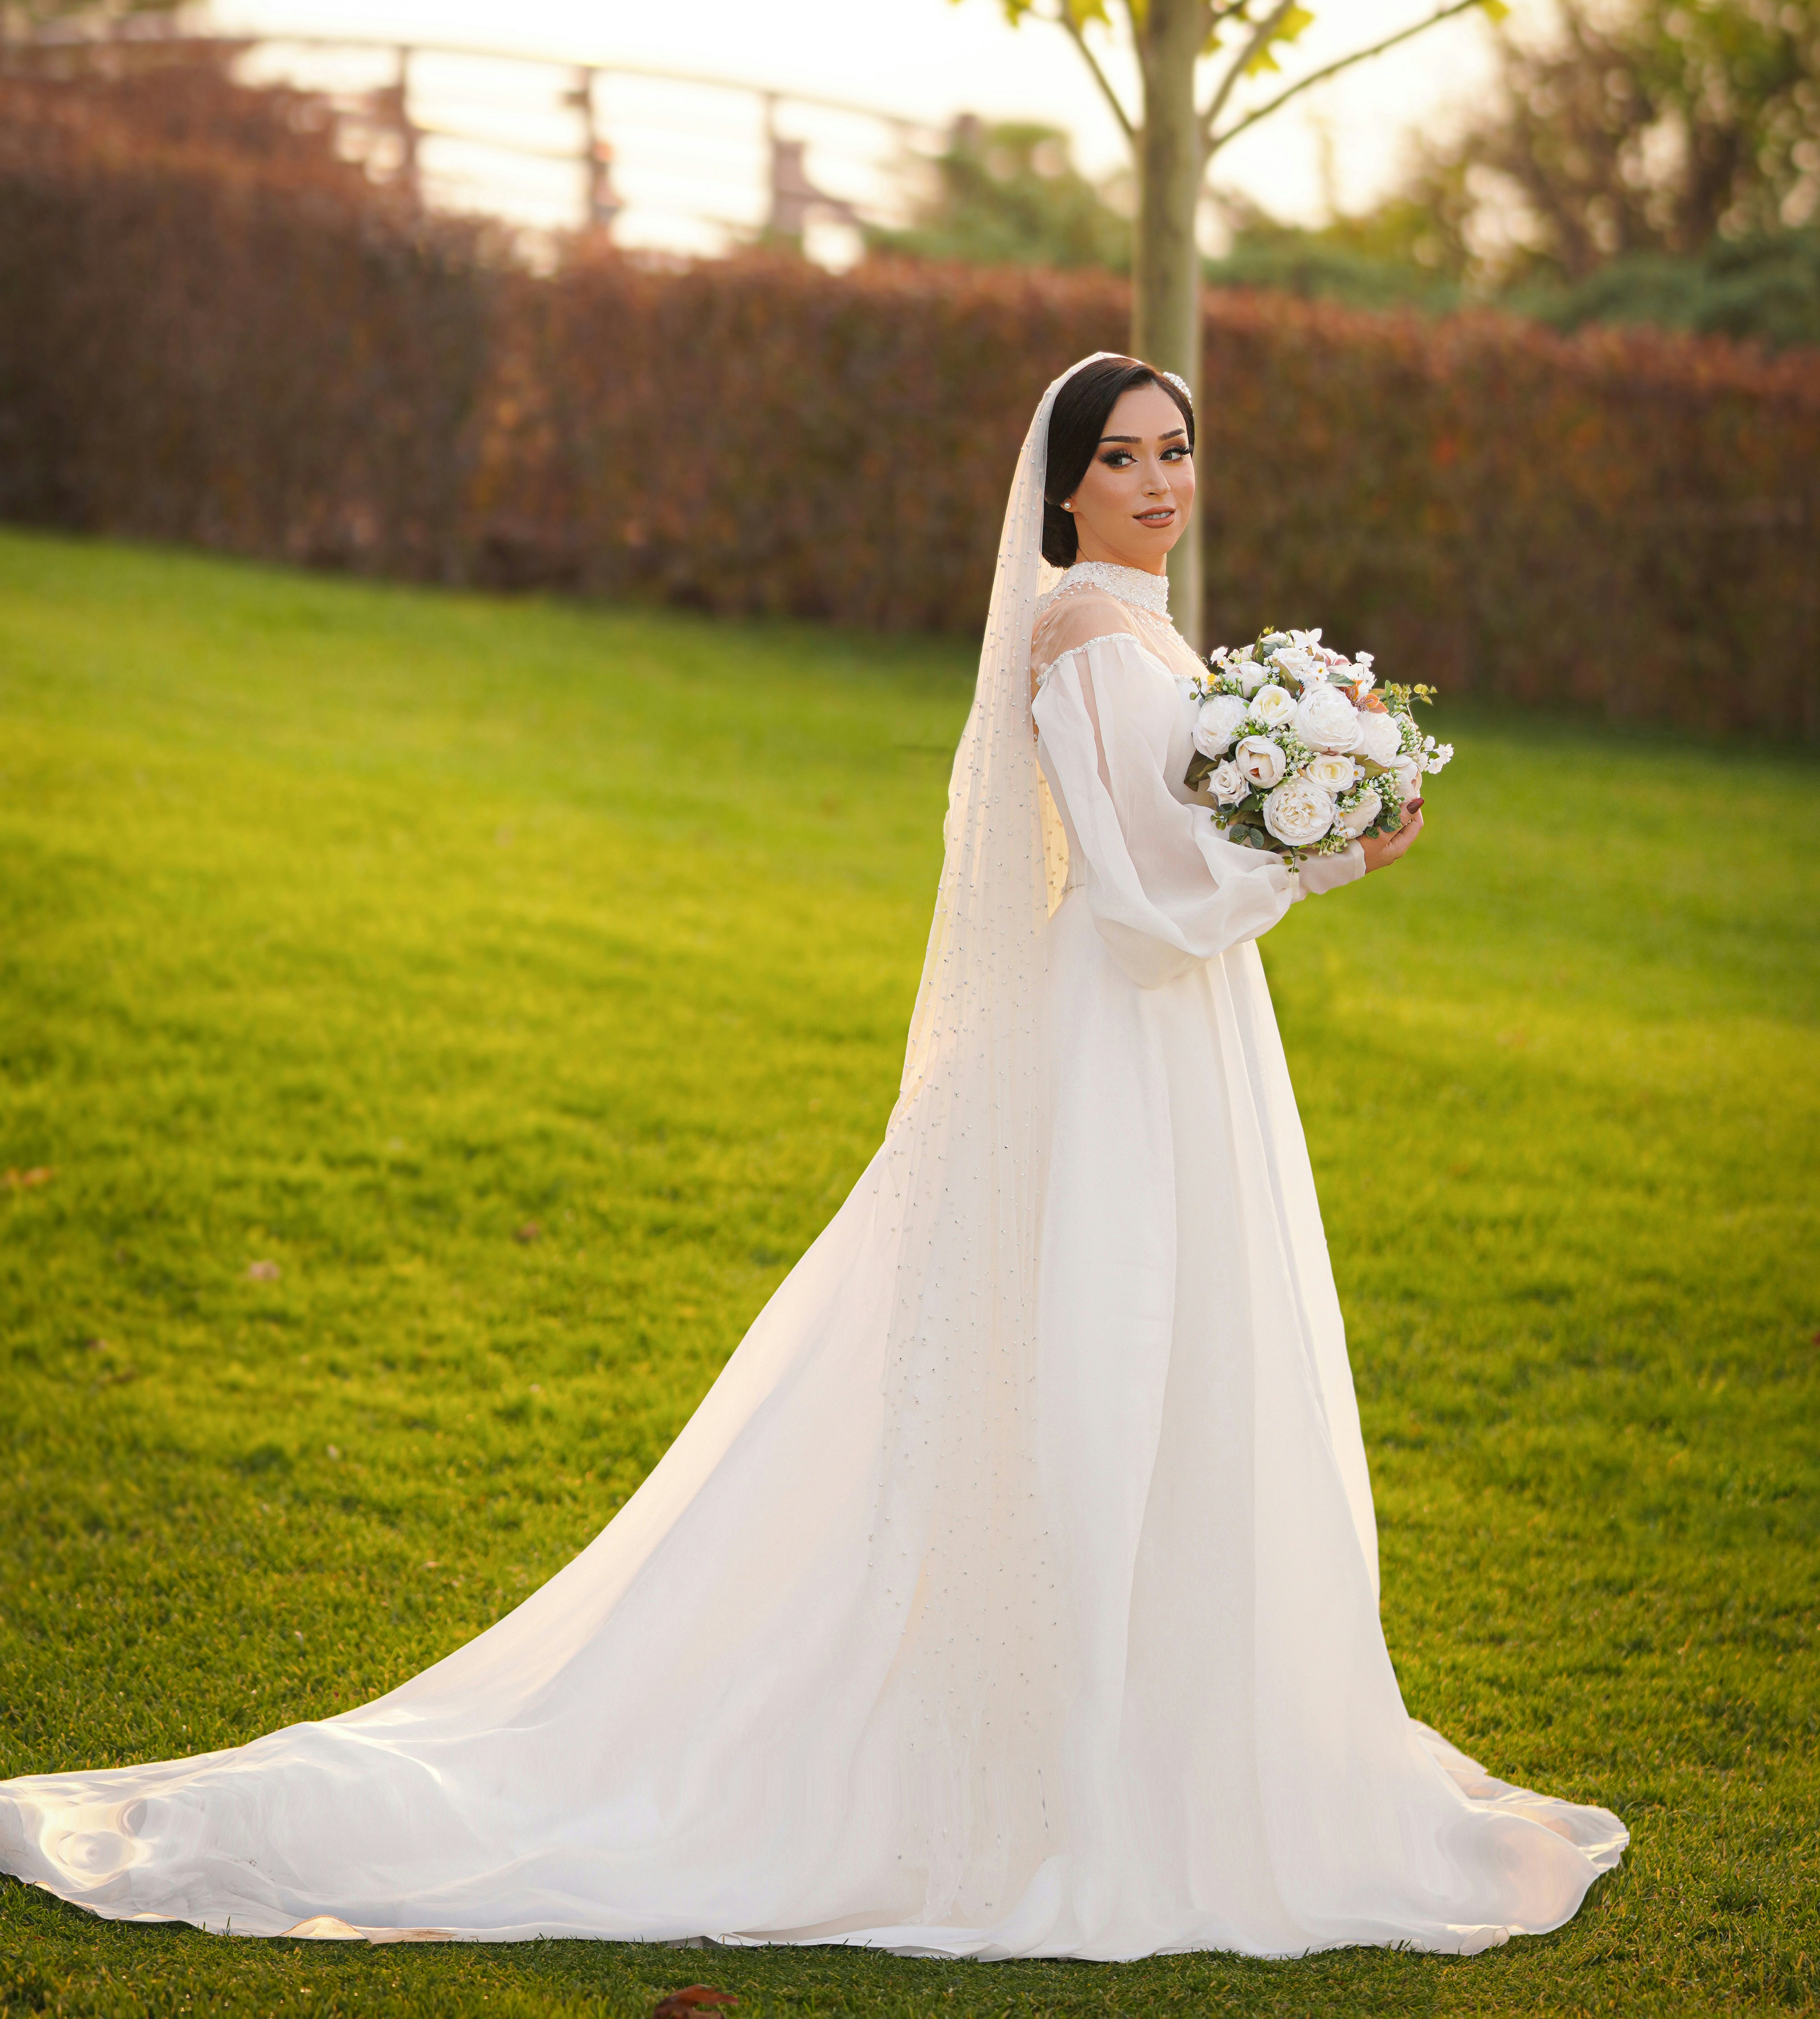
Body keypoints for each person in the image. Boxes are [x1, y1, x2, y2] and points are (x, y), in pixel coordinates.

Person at [0, 352, 1626, 1957]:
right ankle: (1074, 1757)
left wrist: (1303, 815)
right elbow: (1145, 898)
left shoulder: (1140, 631)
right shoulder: (1085, 631)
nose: (1160, 483)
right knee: (1108, 1349)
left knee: (1173, 1354)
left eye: (1178, 452)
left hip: (1173, 1030)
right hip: (1127, 1031)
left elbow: (1174, 859)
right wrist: (1328, 856)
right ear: (1063, 489)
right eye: (1124, 458)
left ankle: (1158, 1717)